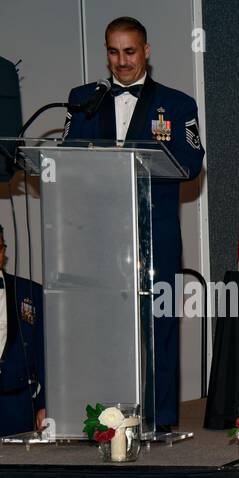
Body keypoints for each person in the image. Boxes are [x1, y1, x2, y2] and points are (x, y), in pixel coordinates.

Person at [63, 16, 204, 430]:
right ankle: (107, 420)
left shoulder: (177, 104)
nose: (121, 61)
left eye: (129, 51)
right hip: (100, 234)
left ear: (146, 51)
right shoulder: (83, 98)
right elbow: (68, 158)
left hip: (155, 232)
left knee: (159, 328)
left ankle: (159, 423)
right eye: (113, 52)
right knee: (105, 328)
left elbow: (191, 163)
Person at [0, 225, 45, 438]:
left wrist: (44, 404)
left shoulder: (29, 293)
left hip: (17, 404)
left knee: (17, 469)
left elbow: (43, 352)